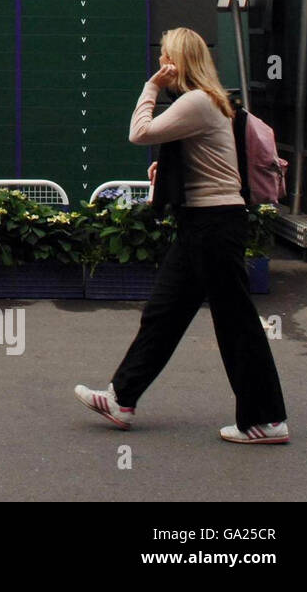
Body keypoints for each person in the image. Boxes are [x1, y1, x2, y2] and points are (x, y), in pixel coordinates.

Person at [74, 27, 288, 444]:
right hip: (203, 224)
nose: (160, 65)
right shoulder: (208, 103)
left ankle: (267, 420)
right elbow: (204, 159)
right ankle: (122, 398)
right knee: (164, 313)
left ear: (180, 60)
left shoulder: (197, 101)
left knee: (236, 322)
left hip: (214, 224)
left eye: (165, 58)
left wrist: (150, 87)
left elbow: (140, 133)